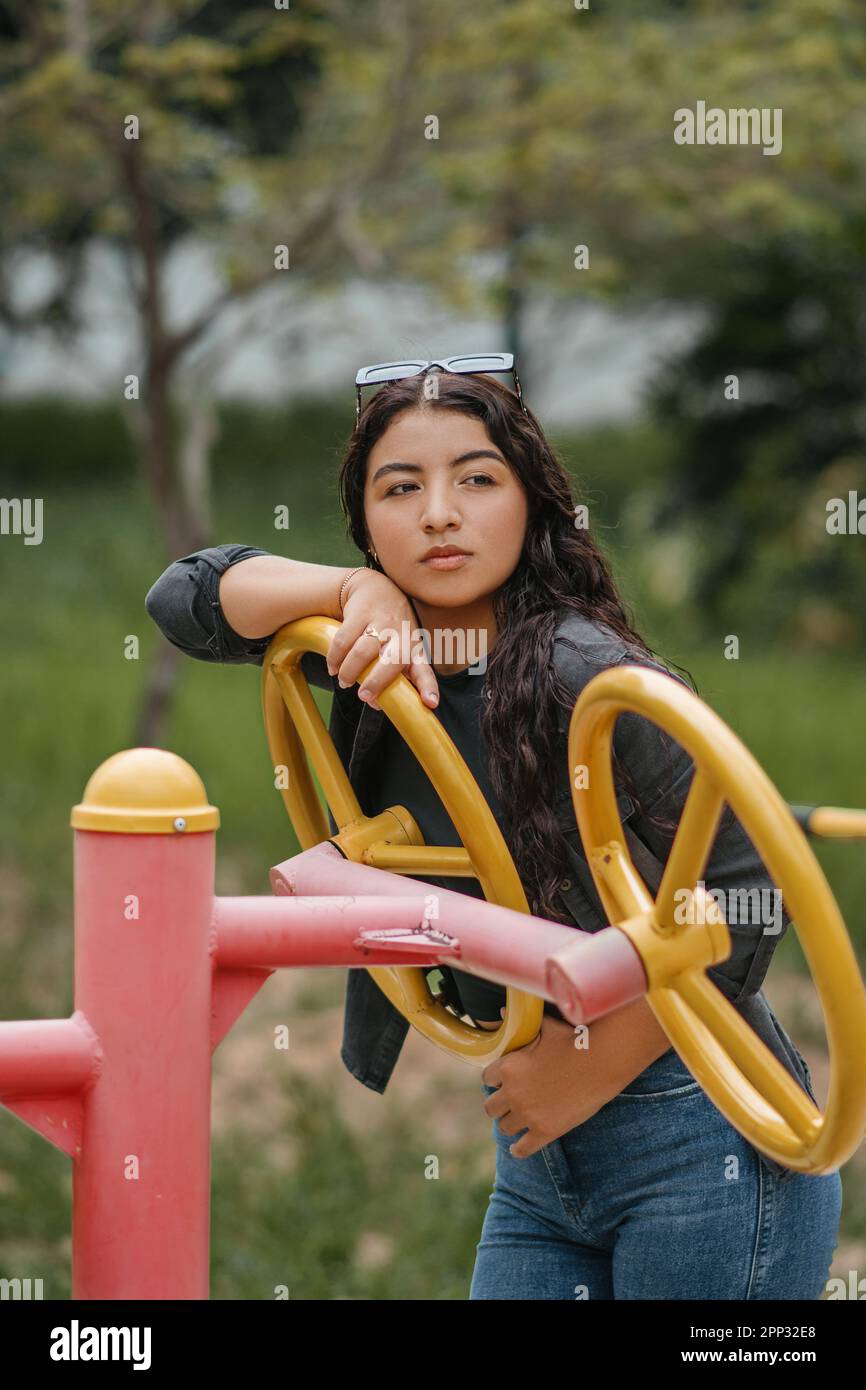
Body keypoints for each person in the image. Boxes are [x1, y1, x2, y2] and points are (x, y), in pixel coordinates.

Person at [144, 356, 843, 1300]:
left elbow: (755, 884)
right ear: (368, 524)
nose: (439, 513)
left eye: (477, 479)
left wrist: (589, 1062)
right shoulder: (377, 656)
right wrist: (352, 592)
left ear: (532, 502)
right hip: (541, 1162)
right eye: (403, 488)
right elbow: (185, 599)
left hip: (702, 1128)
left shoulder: (586, 673)